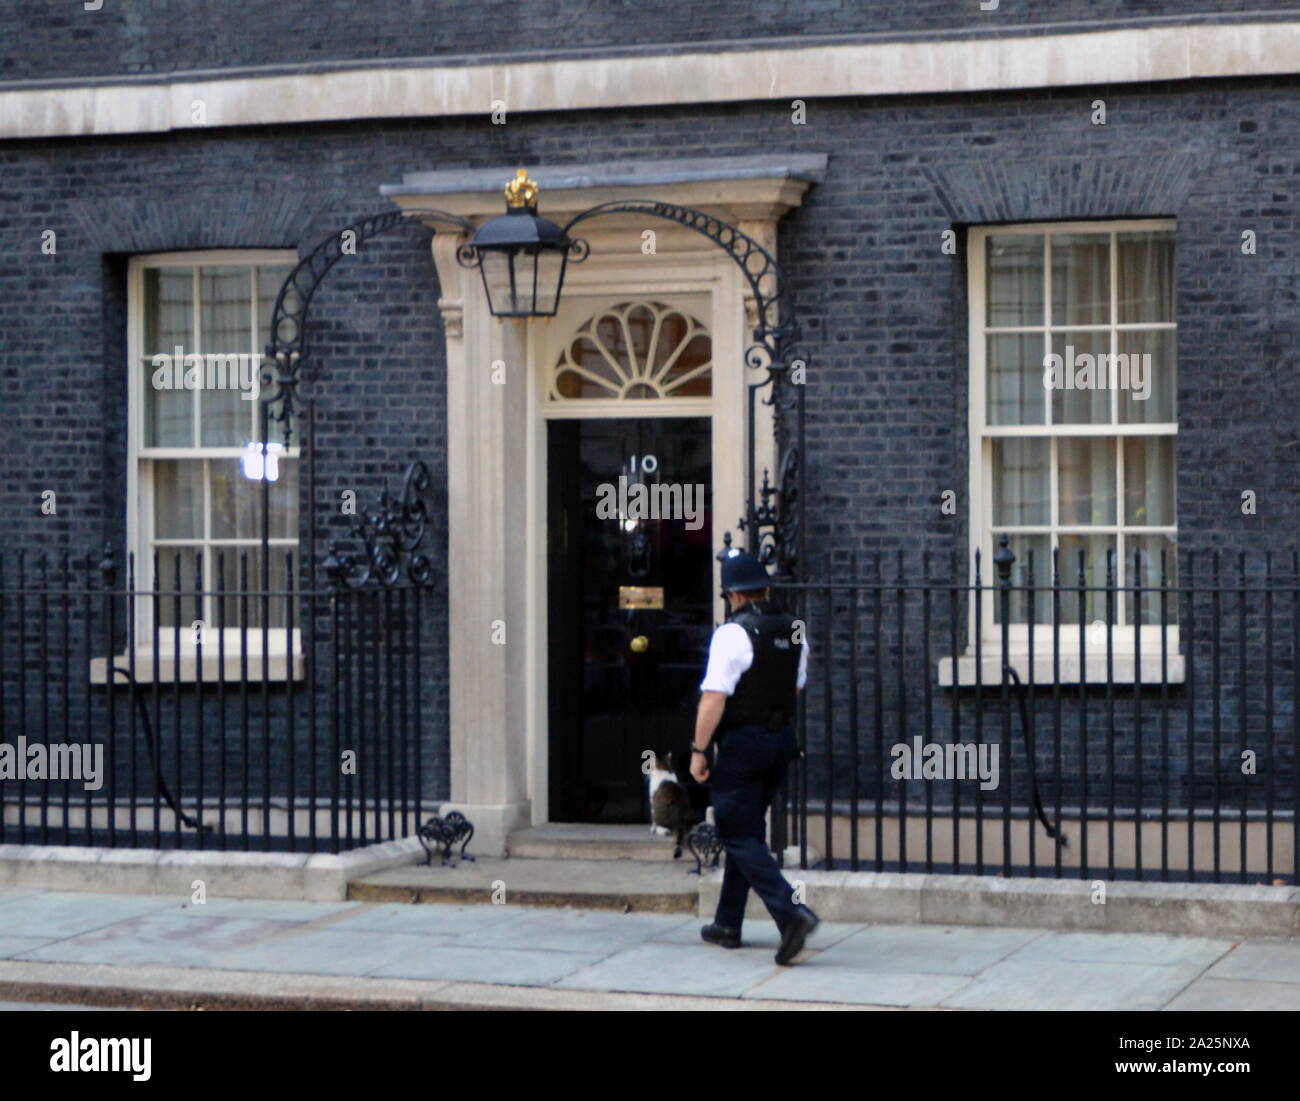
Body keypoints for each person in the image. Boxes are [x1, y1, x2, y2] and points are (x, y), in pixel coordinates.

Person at [690, 547, 819, 965]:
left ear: (735, 596)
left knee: (734, 831)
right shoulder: (796, 629)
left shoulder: (733, 633)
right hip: (780, 740)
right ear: (764, 588)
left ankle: (790, 913)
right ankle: (727, 923)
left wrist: (699, 750)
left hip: (743, 745)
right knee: (747, 831)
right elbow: (796, 687)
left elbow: (713, 698)